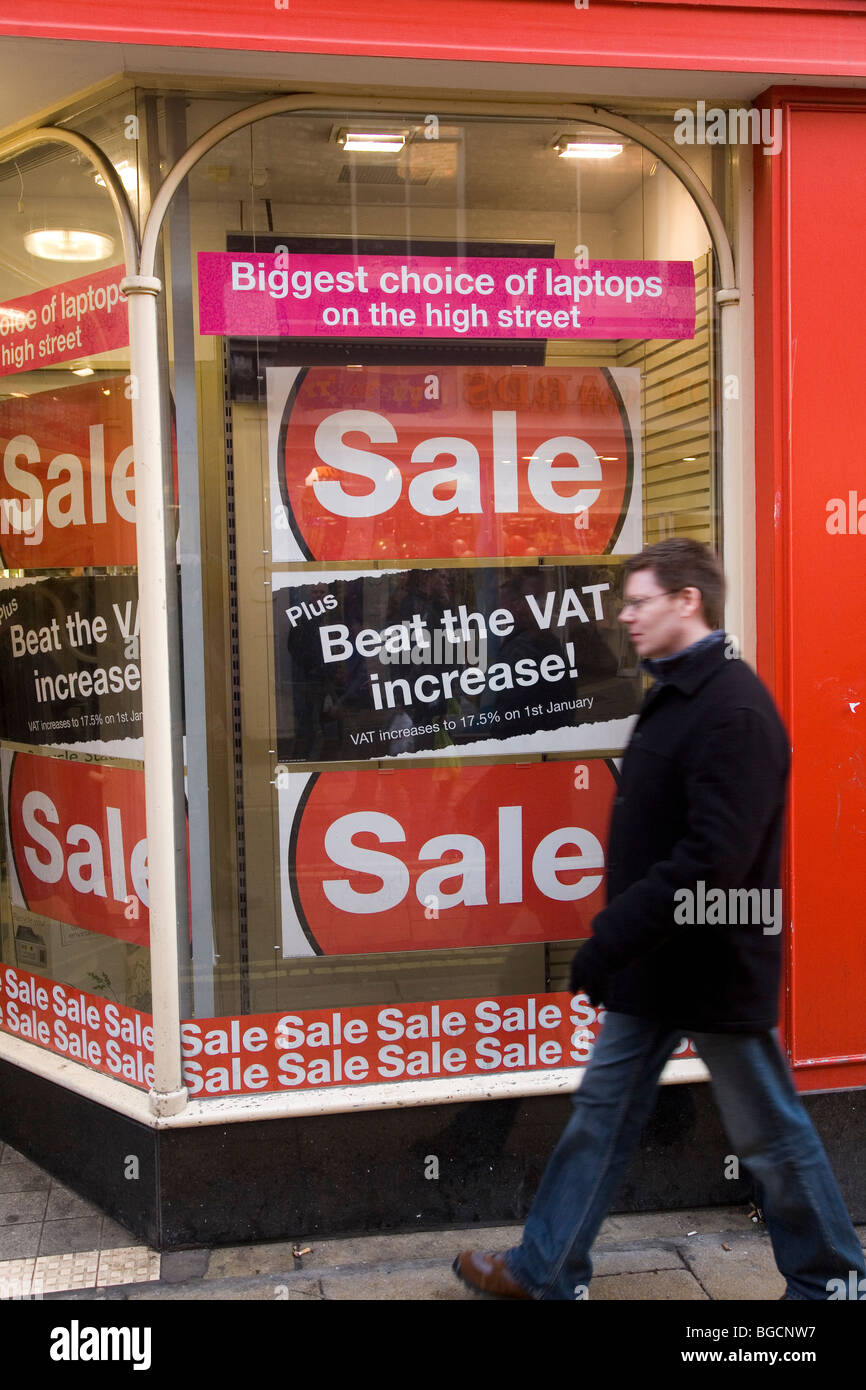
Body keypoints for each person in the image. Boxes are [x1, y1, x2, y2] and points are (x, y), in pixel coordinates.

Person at [454, 538, 866, 1301]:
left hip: (712, 966)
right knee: (600, 1119)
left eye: (641, 600)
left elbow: (715, 857)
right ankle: (547, 1268)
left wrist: (612, 935)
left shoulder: (733, 709)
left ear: (689, 601)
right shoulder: (682, 694)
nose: (626, 615)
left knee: (771, 1135)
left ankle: (834, 1281)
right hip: (659, 965)